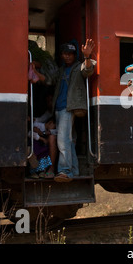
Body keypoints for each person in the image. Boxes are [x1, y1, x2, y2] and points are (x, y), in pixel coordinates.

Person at [51, 39, 96, 182]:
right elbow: (50, 81)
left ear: (75, 55)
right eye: (65, 54)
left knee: (62, 141)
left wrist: (87, 56)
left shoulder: (78, 67)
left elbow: (88, 70)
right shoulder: (61, 69)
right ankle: (75, 170)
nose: (67, 56)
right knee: (69, 141)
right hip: (58, 107)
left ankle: (65, 171)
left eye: (70, 54)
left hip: (69, 107)